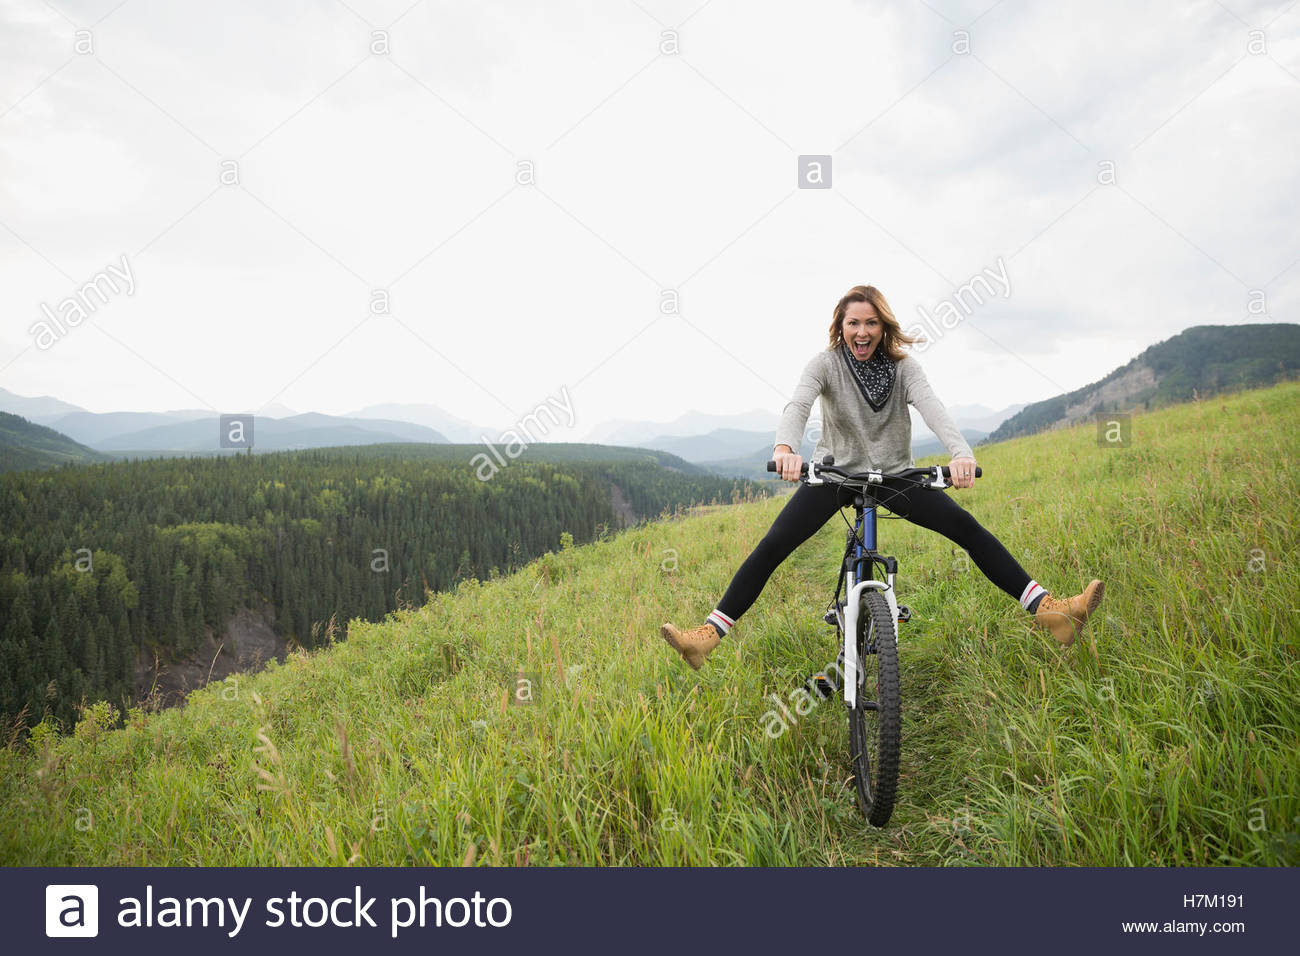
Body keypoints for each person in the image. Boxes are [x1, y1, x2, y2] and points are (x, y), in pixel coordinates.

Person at [661, 284, 1104, 669]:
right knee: (774, 545)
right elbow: (797, 405)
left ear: (883, 326)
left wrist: (961, 453)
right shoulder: (825, 364)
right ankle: (708, 637)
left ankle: (1051, 611)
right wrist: (784, 449)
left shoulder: (905, 368)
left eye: (871, 323)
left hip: (894, 477)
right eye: (853, 322)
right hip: (833, 475)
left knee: (967, 529)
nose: (862, 332)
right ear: (841, 326)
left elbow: (934, 409)